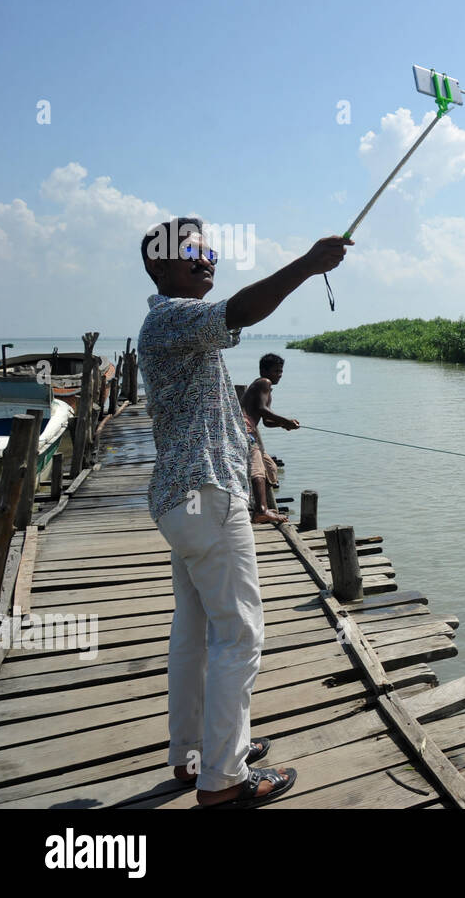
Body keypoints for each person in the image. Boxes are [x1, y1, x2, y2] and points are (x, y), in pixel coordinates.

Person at [137, 216, 350, 807]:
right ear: (158, 266)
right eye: (189, 252)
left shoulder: (170, 326)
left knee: (194, 632)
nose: (206, 259)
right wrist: (308, 265)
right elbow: (244, 310)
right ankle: (224, 781)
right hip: (207, 497)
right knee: (241, 635)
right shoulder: (175, 317)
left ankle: (193, 755)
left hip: (181, 502)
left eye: (209, 251)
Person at [240, 353, 298, 525]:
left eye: (281, 371)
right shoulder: (264, 383)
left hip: (252, 431)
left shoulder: (266, 389)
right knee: (257, 468)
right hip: (245, 430)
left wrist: (283, 425)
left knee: (269, 467)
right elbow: (261, 409)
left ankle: (262, 505)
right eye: (276, 371)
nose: (279, 374)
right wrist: (285, 420)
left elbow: (266, 421)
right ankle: (261, 511)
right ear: (264, 370)